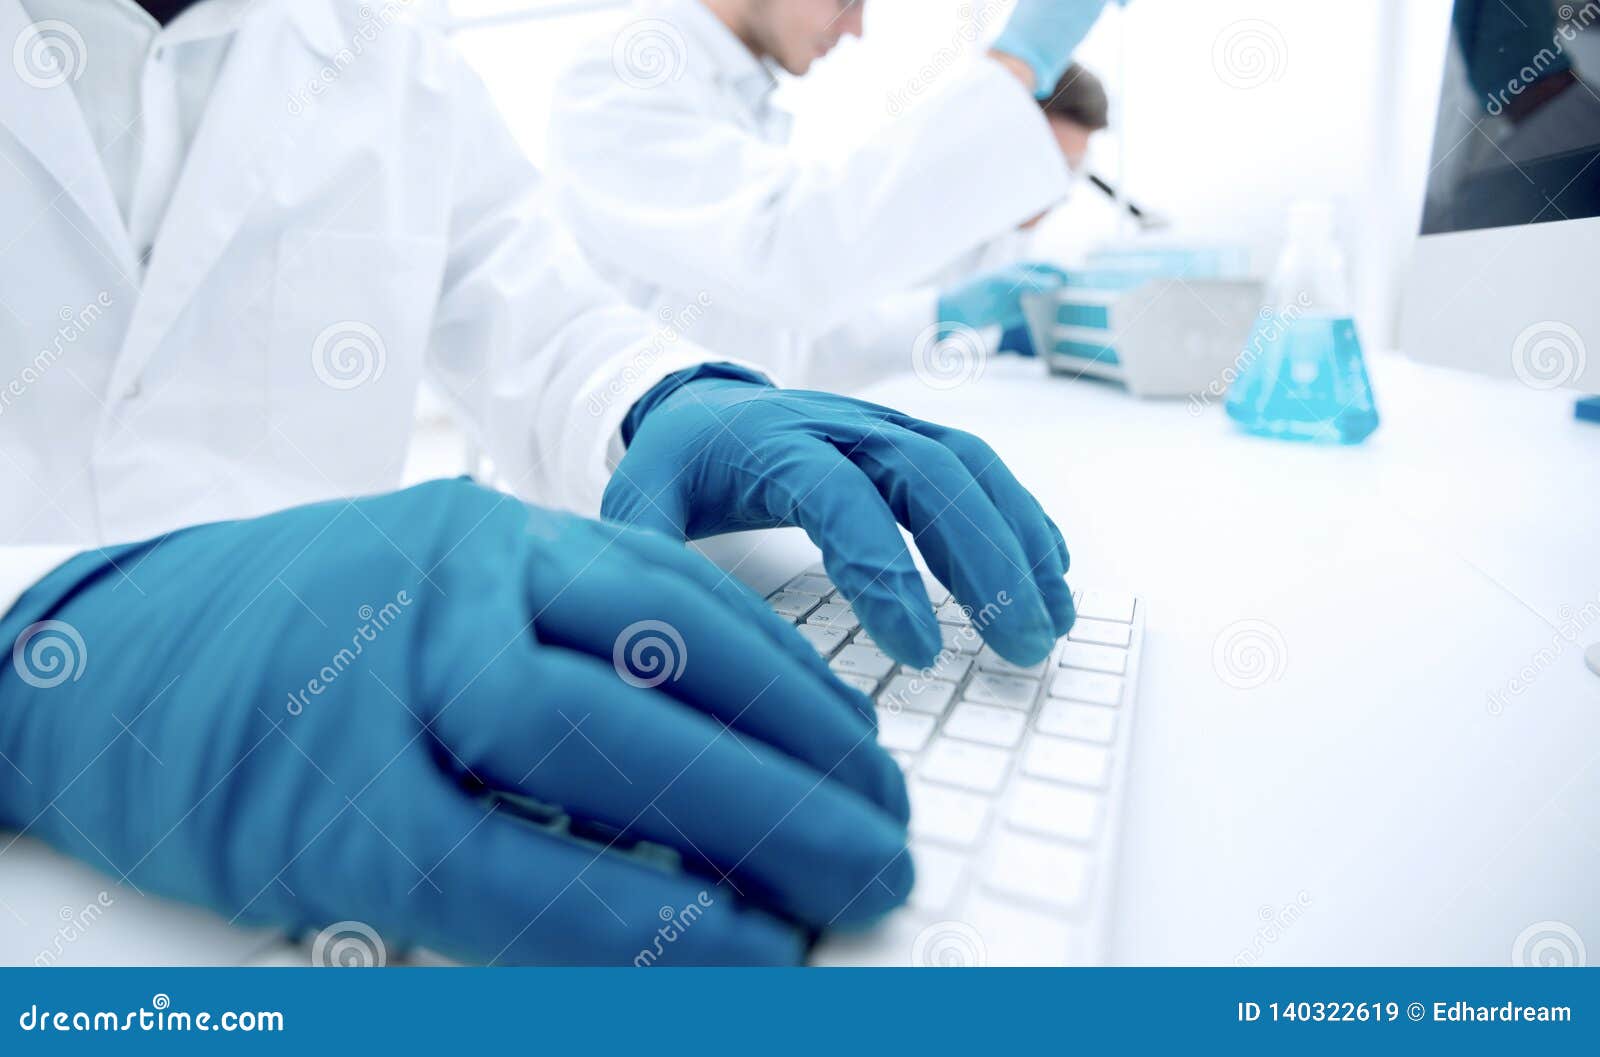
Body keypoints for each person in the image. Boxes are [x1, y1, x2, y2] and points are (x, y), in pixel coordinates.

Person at [0, 0, 1076, 965]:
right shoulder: (615, 70)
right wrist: (36, 624)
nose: (854, 26)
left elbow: (544, 321)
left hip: (372, 789)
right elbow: (787, 245)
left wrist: (667, 396)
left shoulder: (395, 63)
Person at [546, 0, 1122, 390]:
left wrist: (940, 317)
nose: (856, 29)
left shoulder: (741, 103)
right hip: (624, 501)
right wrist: (1016, 64)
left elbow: (785, 338)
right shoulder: (624, 78)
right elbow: (787, 259)